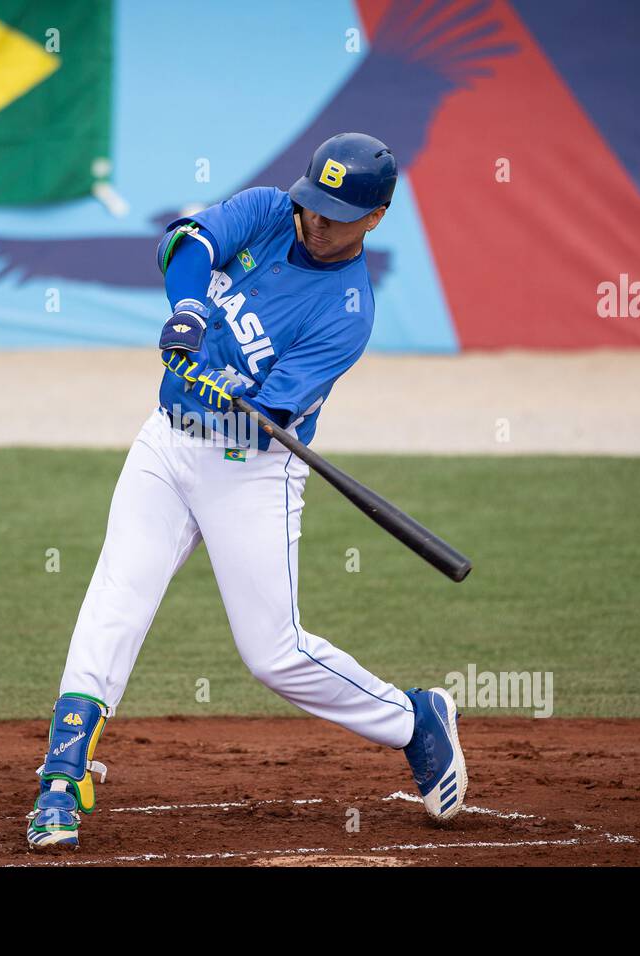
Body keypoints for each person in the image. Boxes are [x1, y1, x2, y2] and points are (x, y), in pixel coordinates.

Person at [26, 132, 467, 849]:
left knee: (273, 653)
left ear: (375, 218)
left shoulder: (347, 313)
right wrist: (188, 311)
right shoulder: (269, 211)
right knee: (115, 601)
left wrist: (221, 389)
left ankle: (414, 720)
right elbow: (186, 244)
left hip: (251, 471)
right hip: (165, 444)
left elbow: (272, 417)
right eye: (313, 205)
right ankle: (62, 775)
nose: (315, 222)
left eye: (335, 216)